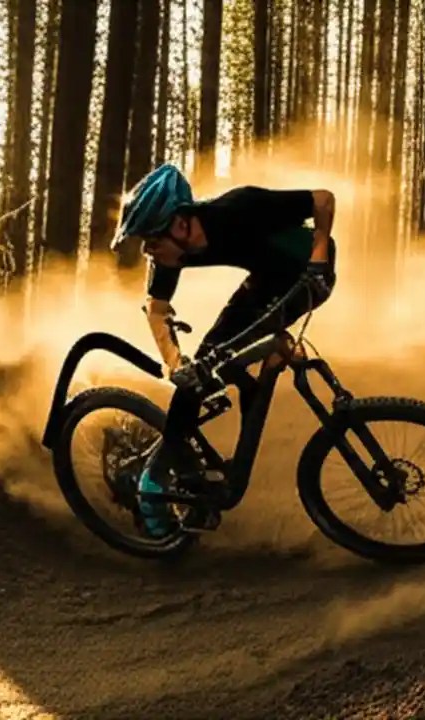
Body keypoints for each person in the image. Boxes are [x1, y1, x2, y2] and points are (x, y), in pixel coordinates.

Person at [110, 164, 338, 537]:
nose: (149, 252)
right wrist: (174, 362)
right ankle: (171, 475)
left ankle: (161, 476)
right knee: (199, 370)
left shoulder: (240, 207)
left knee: (232, 359)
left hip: (309, 275)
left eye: (152, 241)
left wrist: (318, 253)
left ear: (181, 225)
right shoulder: (174, 252)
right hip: (267, 284)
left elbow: (323, 200)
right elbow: (156, 307)